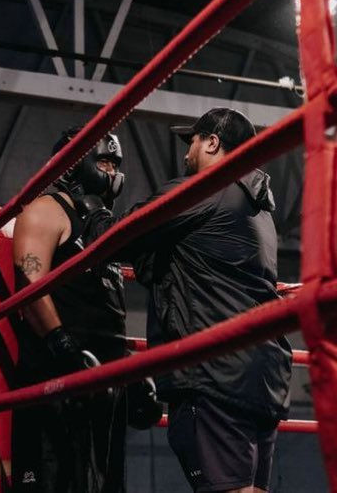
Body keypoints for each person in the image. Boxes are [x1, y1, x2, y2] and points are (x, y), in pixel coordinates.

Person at [74, 108, 292, 493]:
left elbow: (117, 239)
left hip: (214, 374)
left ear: (212, 142)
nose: (187, 151)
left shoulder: (202, 190)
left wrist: (91, 209)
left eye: (192, 140)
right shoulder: (260, 212)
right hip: (261, 375)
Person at [10, 127, 131, 493]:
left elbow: (104, 304)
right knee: (56, 483)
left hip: (103, 381)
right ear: (76, 164)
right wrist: (62, 345)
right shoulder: (47, 210)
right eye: (104, 161)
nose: (112, 172)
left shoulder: (99, 225)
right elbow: (30, 283)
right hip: (58, 376)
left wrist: (130, 369)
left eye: (115, 164)